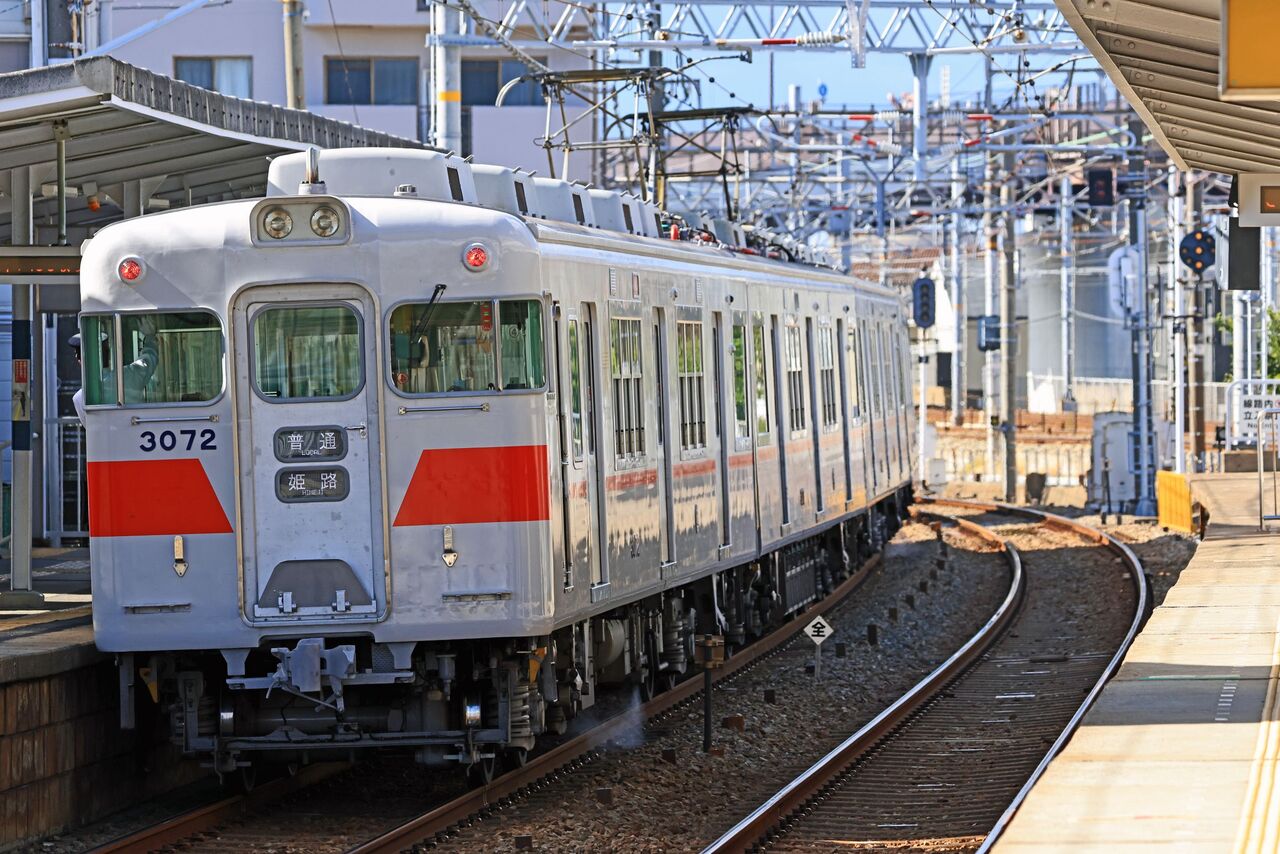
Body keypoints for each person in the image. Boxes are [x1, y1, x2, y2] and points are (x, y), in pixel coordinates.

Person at [69, 322, 160, 425]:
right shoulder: (127, 376)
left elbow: (90, 429)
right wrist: (150, 336)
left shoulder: (79, 398)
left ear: (80, 360)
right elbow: (149, 359)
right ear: (108, 352)